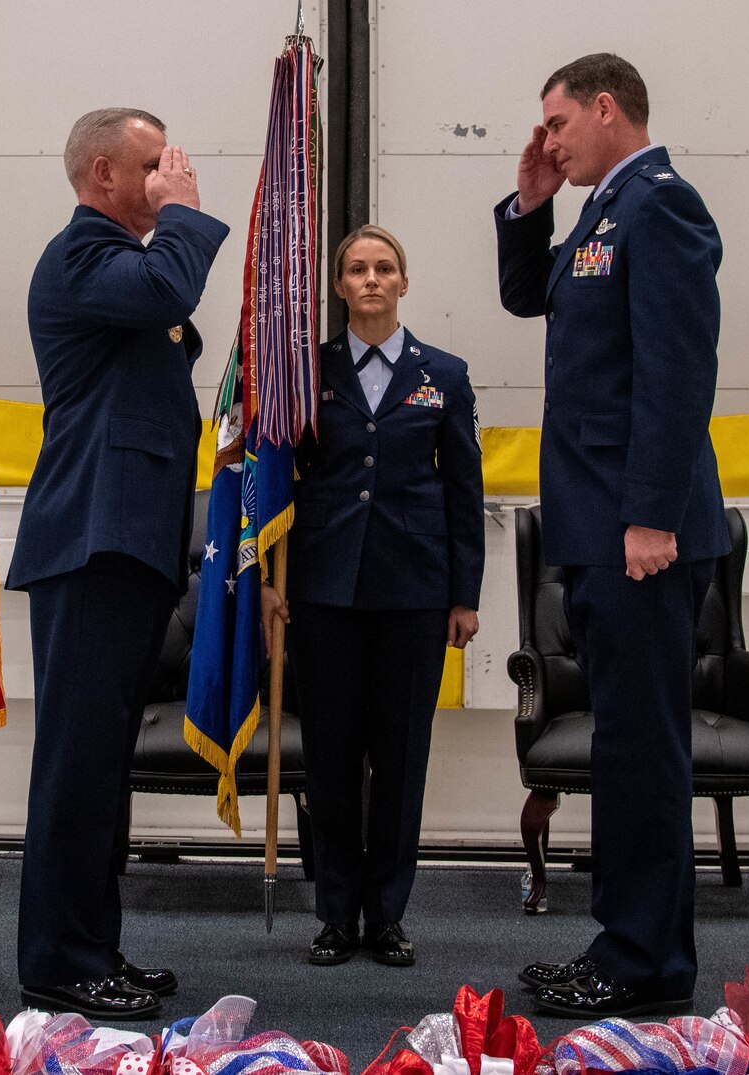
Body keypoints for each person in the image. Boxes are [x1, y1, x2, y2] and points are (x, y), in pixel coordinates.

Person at [493, 53, 729, 1018]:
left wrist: (649, 514)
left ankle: (639, 960)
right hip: (598, 522)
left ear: (604, 107)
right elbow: (528, 297)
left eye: (556, 124)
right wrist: (529, 202)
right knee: (627, 749)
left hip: (637, 530)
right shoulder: (604, 209)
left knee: (642, 749)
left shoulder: (661, 205)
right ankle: (633, 948)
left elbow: (677, 373)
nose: (549, 139)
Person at [7, 107, 229, 1019]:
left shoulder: (121, 264)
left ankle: (92, 945)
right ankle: (59, 958)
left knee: (101, 764)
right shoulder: (83, 258)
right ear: (104, 174)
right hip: (92, 541)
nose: (170, 175)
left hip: (126, 542)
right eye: (152, 166)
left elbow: (167, 322)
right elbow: (166, 295)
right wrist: (181, 214)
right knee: (77, 763)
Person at [262, 225, 485, 968]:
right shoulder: (308, 373)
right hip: (324, 592)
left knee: (399, 760)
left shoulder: (442, 375)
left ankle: (386, 915)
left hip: (414, 594)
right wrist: (272, 580)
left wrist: (464, 595)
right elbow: (280, 482)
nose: (371, 279)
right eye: (356, 268)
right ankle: (334, 914)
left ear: (404, 281)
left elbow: (463, 489)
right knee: (329, 760)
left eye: (384, 267)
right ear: (337, 285)